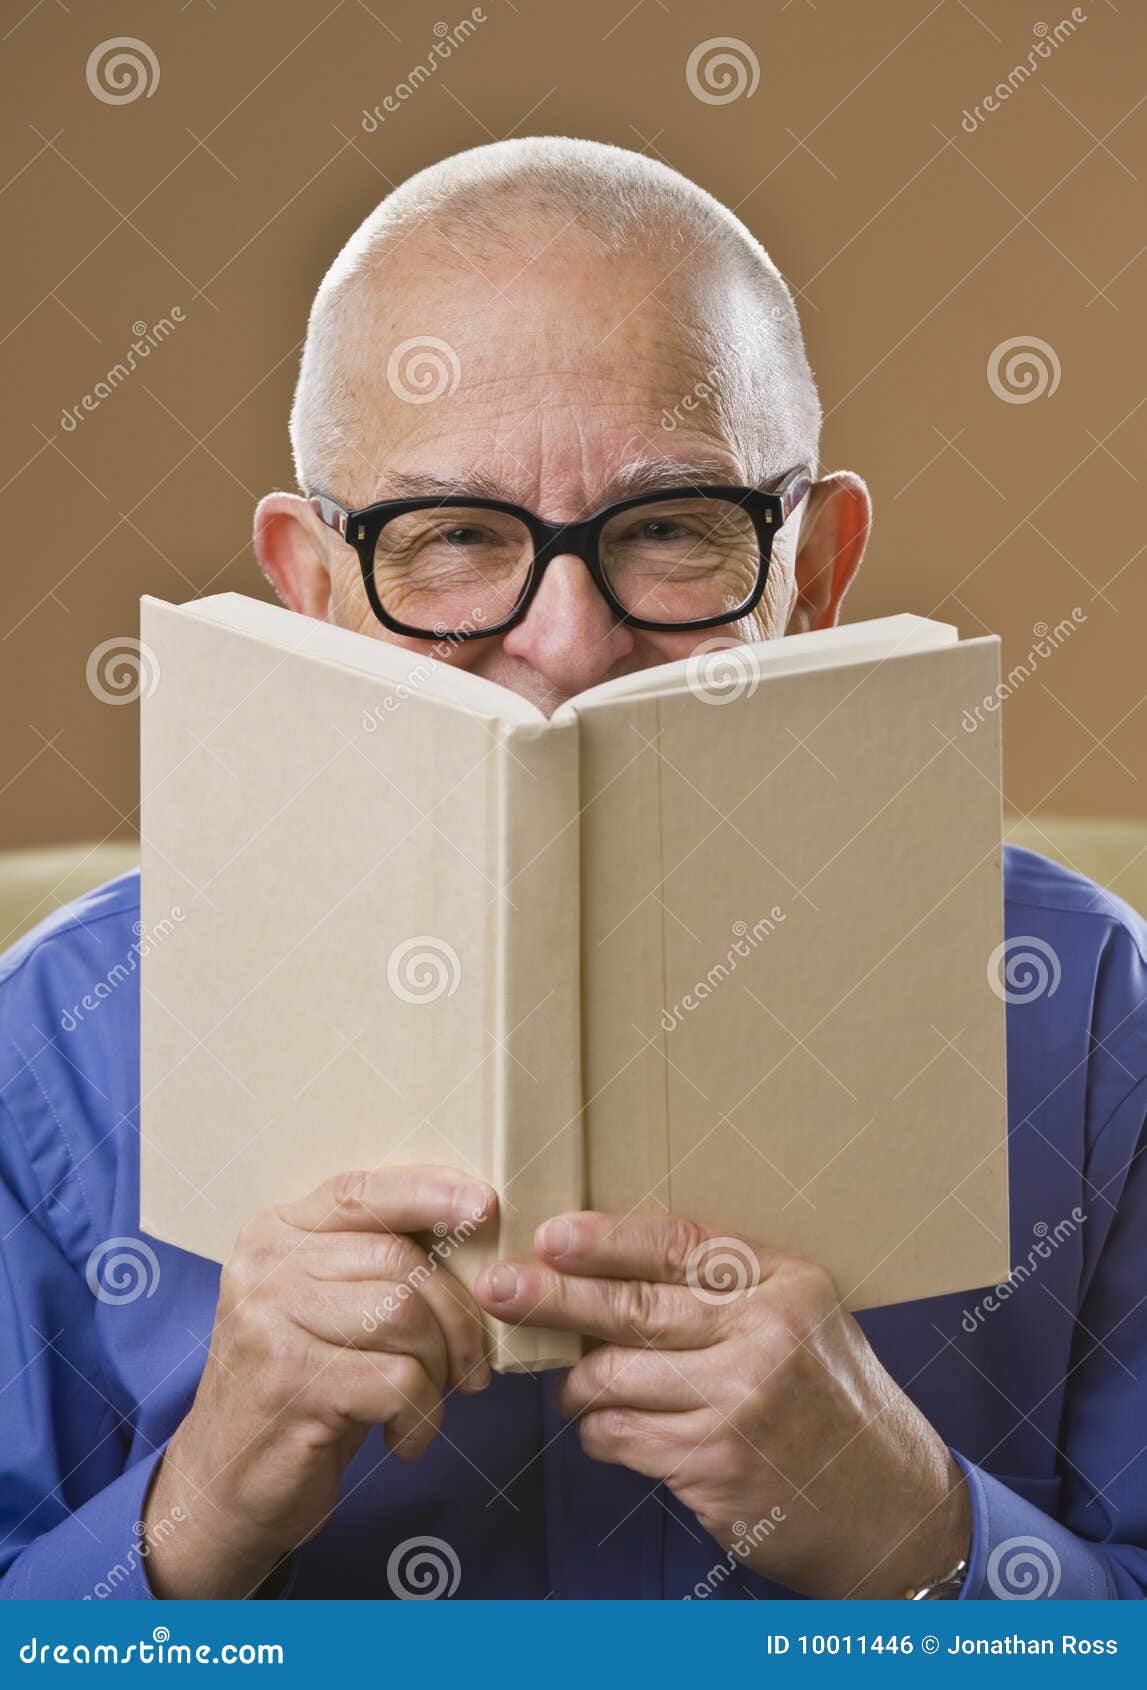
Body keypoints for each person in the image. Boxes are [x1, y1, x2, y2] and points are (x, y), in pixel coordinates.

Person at [1, 138, 1144, 1602]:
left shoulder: (1094, 1013)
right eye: (455, 536)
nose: (565, 640)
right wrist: (200, 1508)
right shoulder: (56, 1043)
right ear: (313, 589)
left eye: (670, 529)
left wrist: (923, 1532)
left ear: (817, 570)